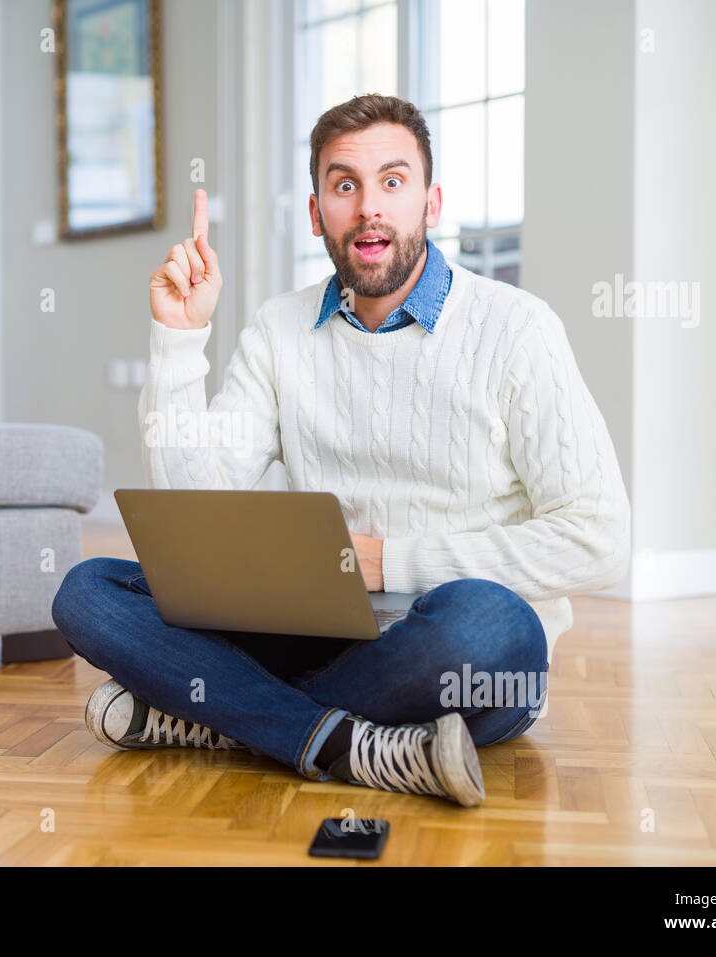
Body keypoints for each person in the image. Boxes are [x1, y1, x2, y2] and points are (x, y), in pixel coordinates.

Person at [52, 94, 630, 807]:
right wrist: (178, 339)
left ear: (431, 201)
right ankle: (346, 743)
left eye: (392, 181)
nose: (369, 208)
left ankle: (223, 717)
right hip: (315, 628)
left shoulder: (517, 330)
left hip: (451, 653)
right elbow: (187, 503)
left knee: (494, 623)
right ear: (316, 210)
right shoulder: (279, 328)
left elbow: (601, 539)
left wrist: (388, 560)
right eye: (344, 185)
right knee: (89, 592)